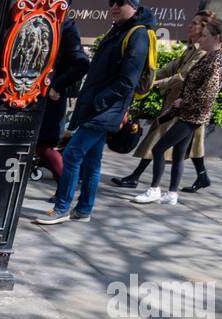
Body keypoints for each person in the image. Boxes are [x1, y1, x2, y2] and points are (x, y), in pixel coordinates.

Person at [33, 0, 154, 225]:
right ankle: (84, 209)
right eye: (112, 2)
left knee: (71, 155)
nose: (114, 6)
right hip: (99, 108)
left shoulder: (138, 34)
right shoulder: (121, 29)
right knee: (91, 160)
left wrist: (99, 102)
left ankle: (62, 207)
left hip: (104, 110)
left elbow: (128, 81)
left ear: (134, 5)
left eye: (121, 2)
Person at [110, 11, 222, 192]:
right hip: (181, 105)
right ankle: (187, 184)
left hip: (183, 108)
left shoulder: (208, 55)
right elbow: (171, 68)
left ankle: (146, 183)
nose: (190, 26)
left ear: (206, 30)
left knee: (158, 143)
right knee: (180, 150)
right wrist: (149, 79)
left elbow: (185, 79)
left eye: (195, 24)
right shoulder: (194, 49)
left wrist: (158, 86)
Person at [35, 17, 89, 182]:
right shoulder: (36, 17)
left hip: (49, 98)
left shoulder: (66, 25)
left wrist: (57, 86)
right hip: (30, 94)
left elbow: (81, 64)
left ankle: (65, 191)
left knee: (45, 147)